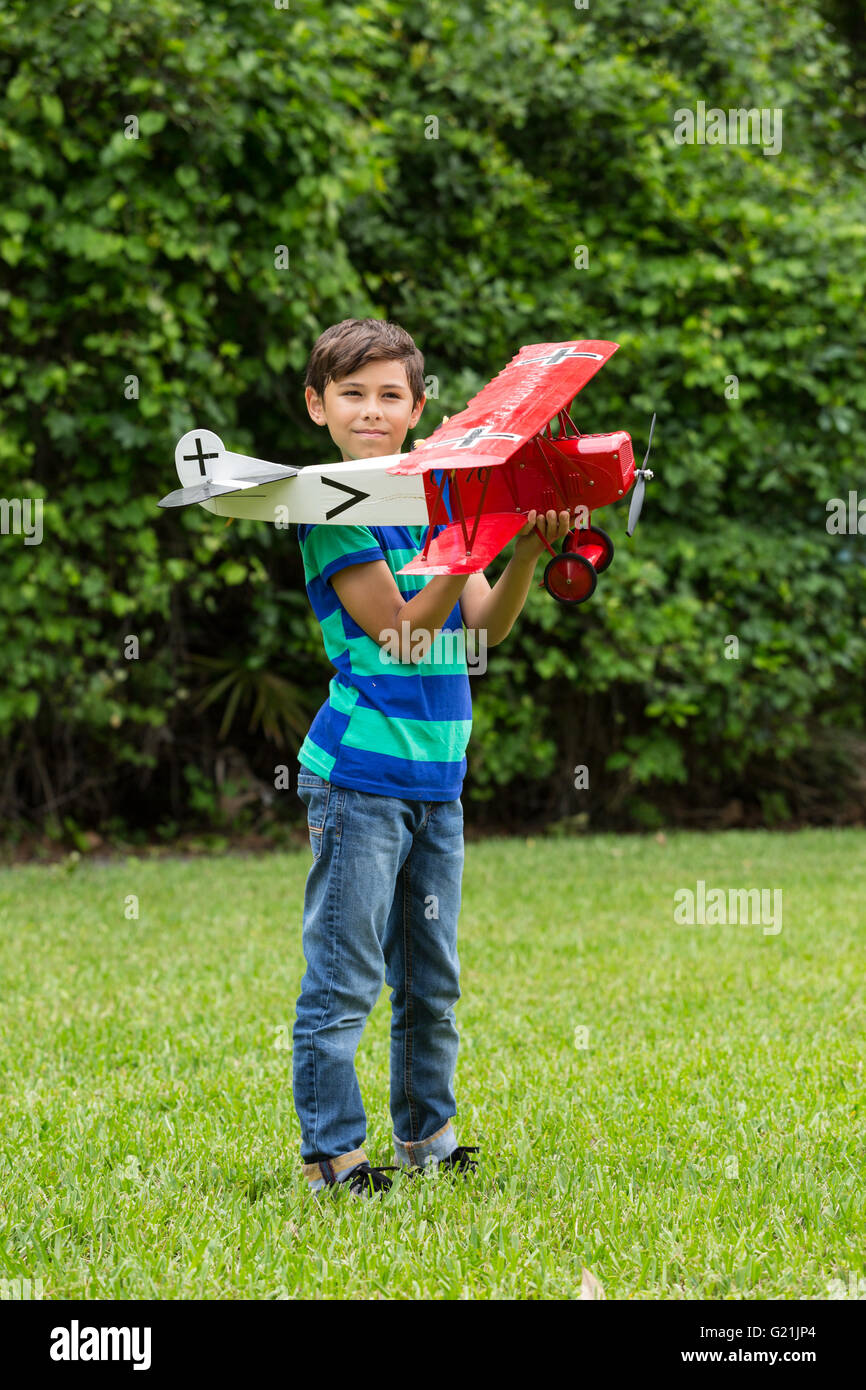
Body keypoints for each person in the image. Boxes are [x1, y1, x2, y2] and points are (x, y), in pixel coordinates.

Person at [293, 317, 569, 1199]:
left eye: (389, 396)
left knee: (432, 980)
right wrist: (463, 545)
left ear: (418, 409)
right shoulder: (329, 508)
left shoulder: (436, 501)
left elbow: (480, 630)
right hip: (359, 782)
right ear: (317, 407)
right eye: (351, 394)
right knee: (347, 981)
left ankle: (429, 1140)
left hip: (437, 781)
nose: (370, 411)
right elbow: (407, 640)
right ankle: (333, 1157)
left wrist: (521, 545)